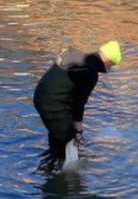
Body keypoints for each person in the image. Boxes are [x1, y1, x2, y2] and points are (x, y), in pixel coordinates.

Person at [33, 41, 122, 169]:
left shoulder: (75, 54)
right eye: (111, 65)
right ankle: (62, 178)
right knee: (70, 141)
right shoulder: (90, 73)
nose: (109, 69)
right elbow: (79, 103)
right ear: (109, 61)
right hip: (52, 105)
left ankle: (49, 165)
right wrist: (78, 131)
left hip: (40, 96)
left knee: (57, 138)